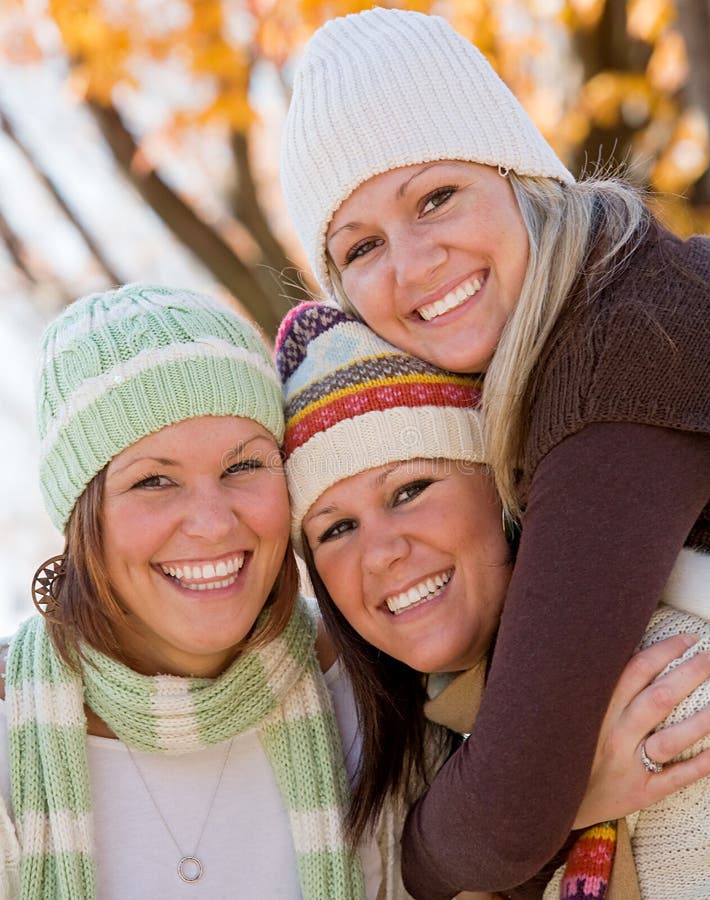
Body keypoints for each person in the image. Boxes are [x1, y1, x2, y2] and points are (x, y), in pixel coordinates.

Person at [279, 7, 710, 898]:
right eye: (361, 247)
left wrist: (411, 861)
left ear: (521, 176)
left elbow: (507, 815)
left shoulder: (621, 346)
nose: (413, 264)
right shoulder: (589, 326)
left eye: (436, 197)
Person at [274, 301, 710, 900]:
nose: (381, 553)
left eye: (410, 489)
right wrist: (557, 810)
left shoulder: (670, 680)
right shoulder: (419, 746)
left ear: (501, 486)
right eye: (336, 529)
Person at [0, 283, 382, 900]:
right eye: (154, 481)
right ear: (81, 518)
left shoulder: (369, 684)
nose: (213, 522)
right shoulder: (9, 735)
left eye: (244, 466)